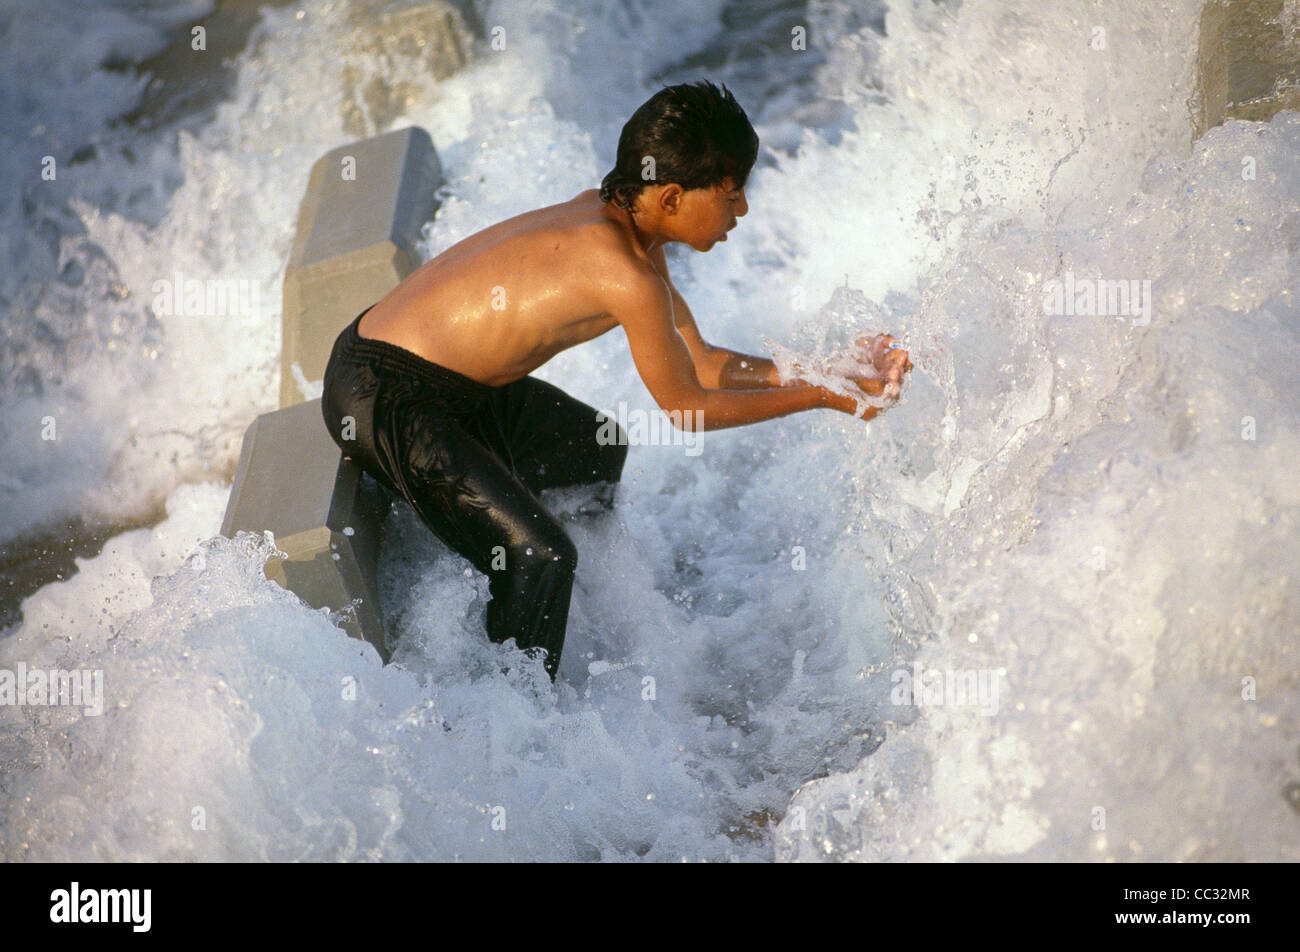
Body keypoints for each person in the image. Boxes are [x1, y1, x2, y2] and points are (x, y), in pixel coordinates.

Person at [321, 80, 910, 681]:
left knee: (592, 445)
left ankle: (579, 604)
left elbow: (701, 362)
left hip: (446, 389)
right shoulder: (625, 272)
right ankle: (512, 724)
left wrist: (822, 369)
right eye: (732, 195)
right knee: (540, 555)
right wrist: (820, 398)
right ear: (674, 196)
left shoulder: (630, 231)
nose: (742, 211)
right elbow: (687, 409)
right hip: (384, 394)